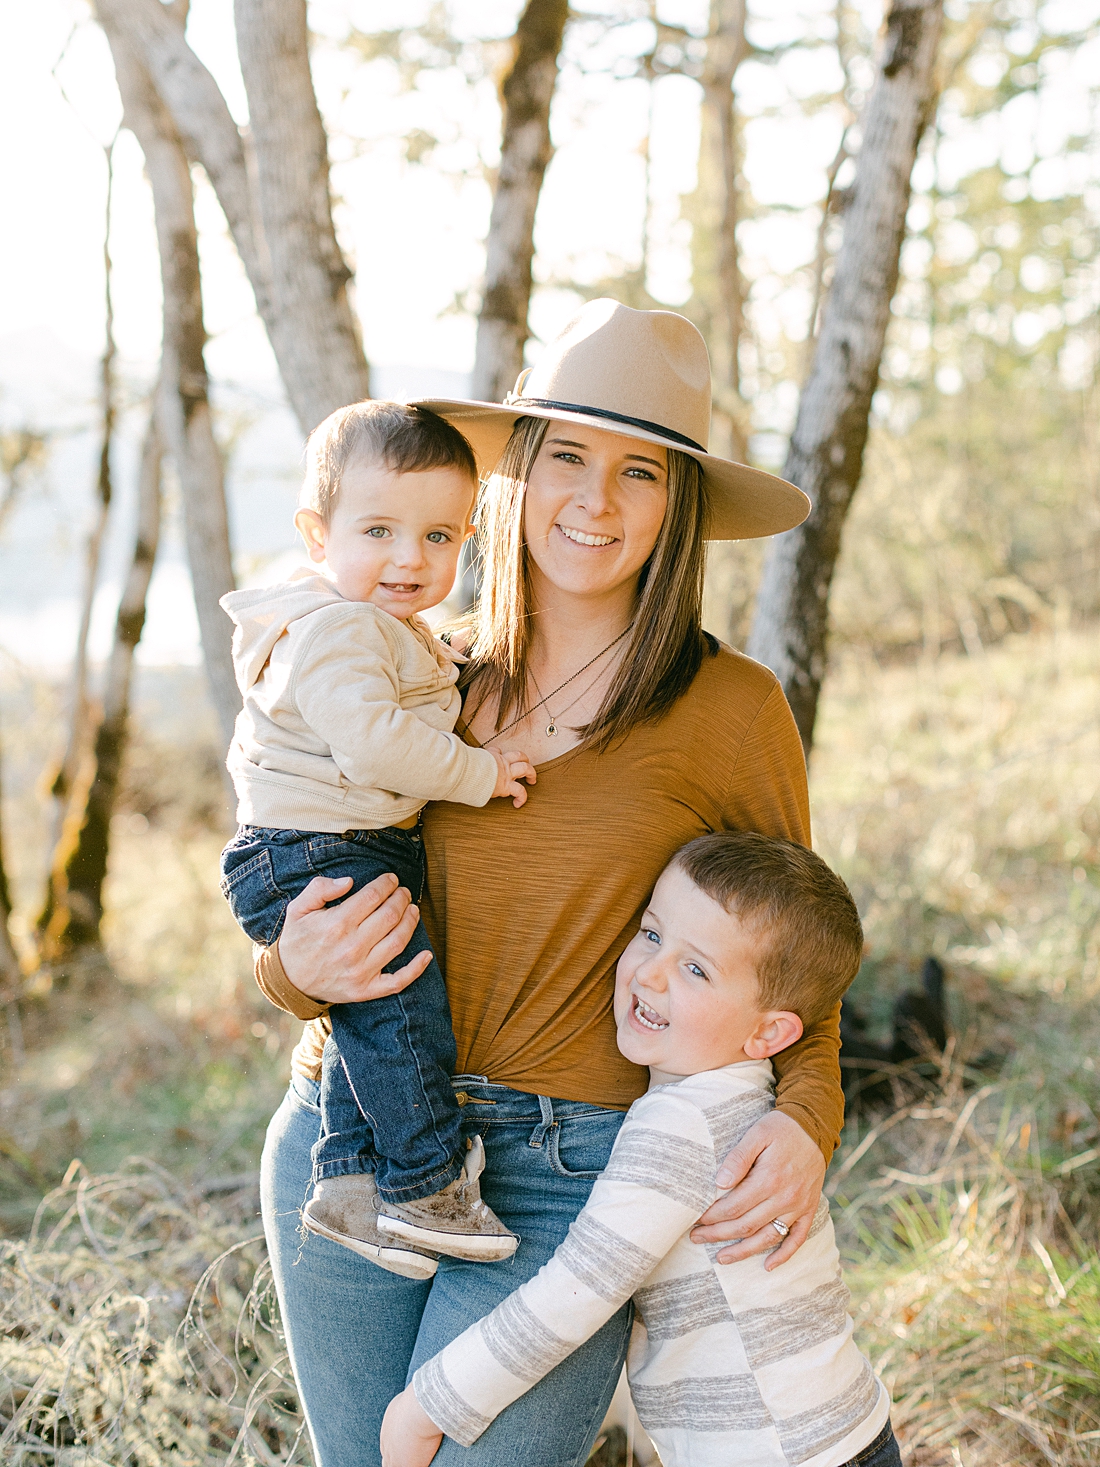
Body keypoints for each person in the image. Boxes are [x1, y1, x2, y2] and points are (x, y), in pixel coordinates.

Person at [255, 299, 848, 1467]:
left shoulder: (732, 710)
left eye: (639, 471)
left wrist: (806, 1123)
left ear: (677, 506)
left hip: (569, 1176)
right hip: (352, 1137)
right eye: (565, 454)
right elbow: (288, 861)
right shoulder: (412, 669)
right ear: (513, 473)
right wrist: (286, 972)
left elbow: (795, 964)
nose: (594, 500)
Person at [381, 831, 899, 1467]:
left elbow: (576, 1293)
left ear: (769, 1031)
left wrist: (428, 1404)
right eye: (652, 935)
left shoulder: (681, 1125)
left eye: (696, 969)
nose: (650, 972)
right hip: (845, 1430)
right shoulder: (745, 1100)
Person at [219, 401, 536, 1270]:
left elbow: (407, 691)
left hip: (328, 843)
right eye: (380, 530)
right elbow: (374, 740)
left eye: (439, 537)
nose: (411, 557)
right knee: (397, 1005)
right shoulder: (341, 626)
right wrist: (480, 773)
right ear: (318, 535)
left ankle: (355, 1184)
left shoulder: (384, 626)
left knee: (373, 1012)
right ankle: (429, 1183)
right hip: (321, 846)